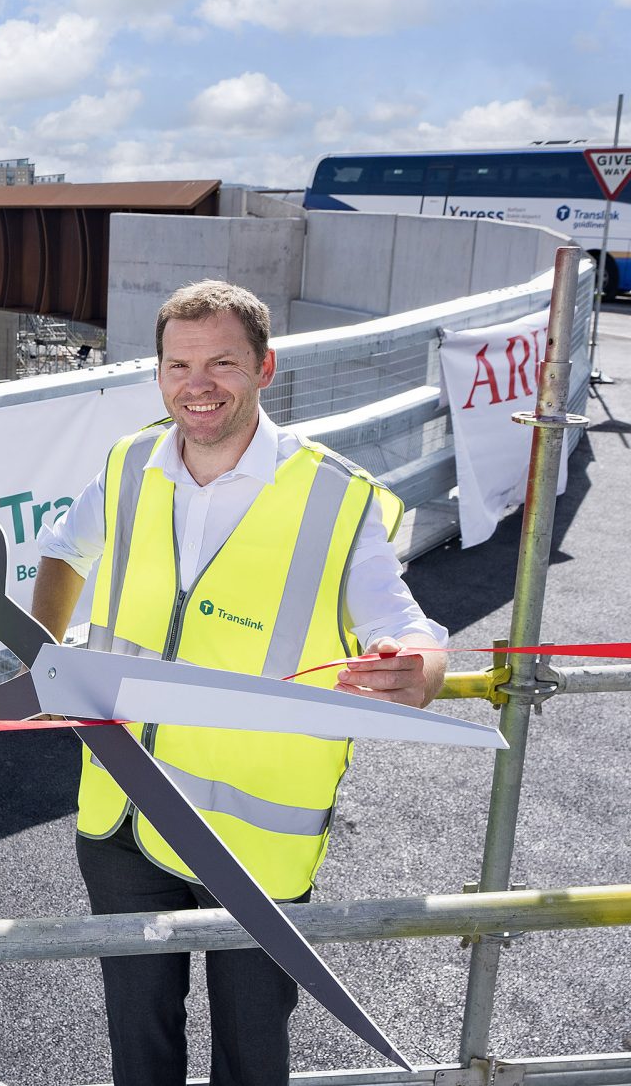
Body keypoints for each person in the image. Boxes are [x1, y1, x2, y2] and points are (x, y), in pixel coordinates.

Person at [30, 280, 448, 1086]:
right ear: (157, 372)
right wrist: (46, 654)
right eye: (179, 363)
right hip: (121, 813)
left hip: (251, 839)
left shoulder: (333, 497)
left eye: (222, 361)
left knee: (253, 1058)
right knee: (138, 1046)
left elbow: (411, 632)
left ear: (265, 367)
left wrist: (418, 670)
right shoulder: (128, 467)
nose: (199, 383)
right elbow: (62, 550)